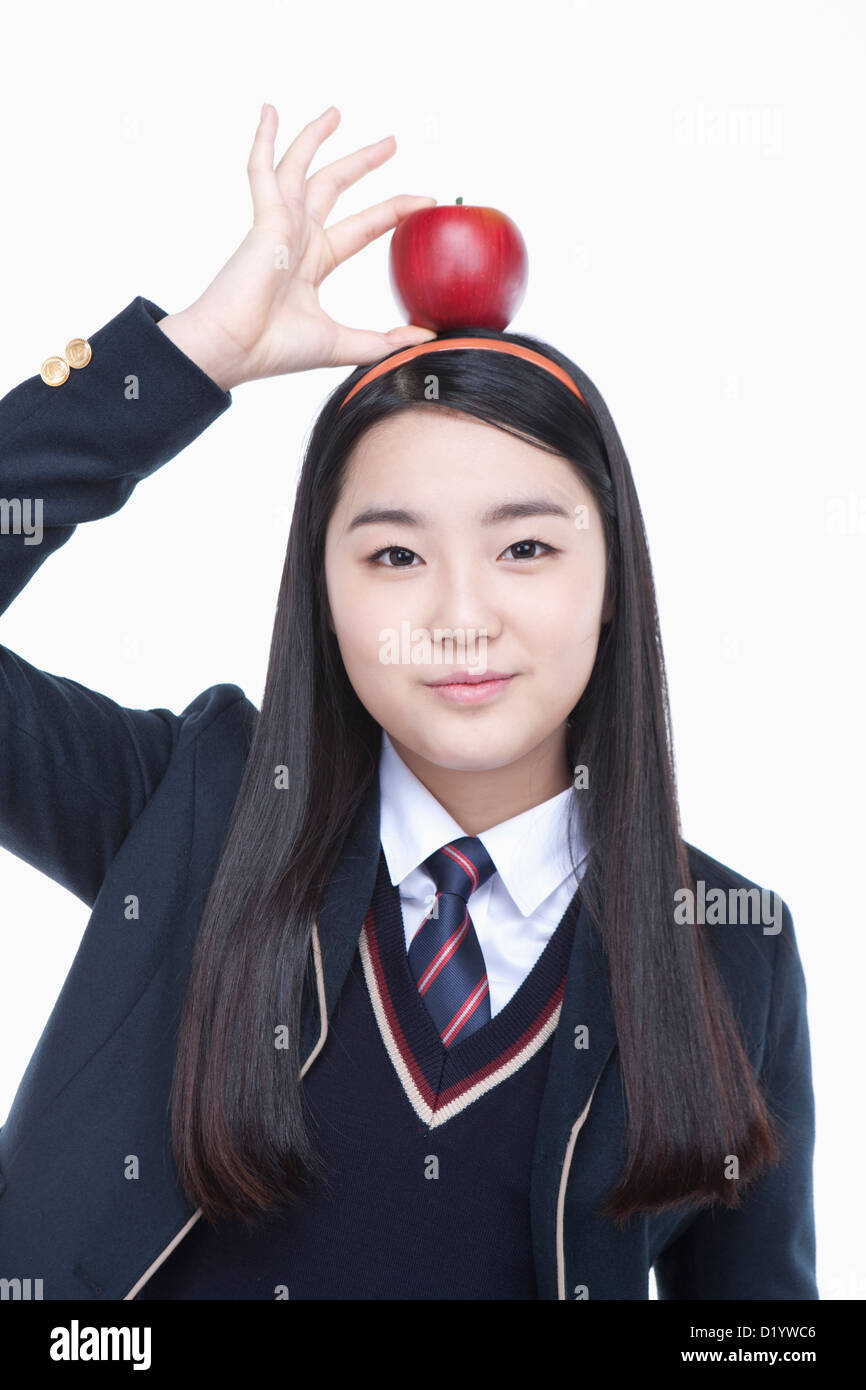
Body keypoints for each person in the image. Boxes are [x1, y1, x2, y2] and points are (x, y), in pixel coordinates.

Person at [0, 103, 817, 1301]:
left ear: (609, 585)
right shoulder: (188, 811)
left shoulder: (726, 947)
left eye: (525, 550)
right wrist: (186, 357)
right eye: (392, 556)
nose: (459, 613)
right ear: (319, 593)